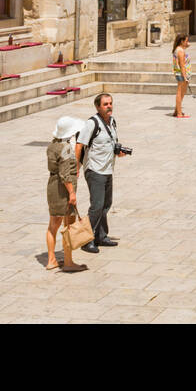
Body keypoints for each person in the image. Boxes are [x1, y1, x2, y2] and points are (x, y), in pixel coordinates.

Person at [76, 93, 128, 253]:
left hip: (107, 169)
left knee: (106, 204)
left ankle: (101, 236)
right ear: (98, 107)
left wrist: (118, 152)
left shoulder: (112, 122)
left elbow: (110, 143)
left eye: (111, 103)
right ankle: (87, 240)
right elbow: (79, 145)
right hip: (95, 170)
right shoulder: (92, 124)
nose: (109, 106)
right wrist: (76, 167)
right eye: (105, 104)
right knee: (97, 206)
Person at [45, 115, 87, 272]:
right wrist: (72, 194)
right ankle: (68, 262)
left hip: (52, 186)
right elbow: (65, 175)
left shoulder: (51, 146)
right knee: (69, 224)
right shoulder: (67, 149)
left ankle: (51, 260)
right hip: (64, 189)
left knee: (52, 225)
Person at [172, 34, 191, 119]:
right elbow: (182, 65)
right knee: (180, 93)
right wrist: (185, 77)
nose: (188, 42)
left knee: (182, 93)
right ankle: (179, 113)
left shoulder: (179, 49)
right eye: (186, 41)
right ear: (181, 41)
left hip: (180, 73)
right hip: (181, 74)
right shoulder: (180, 51)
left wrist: (186, 45)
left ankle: (176, 111)